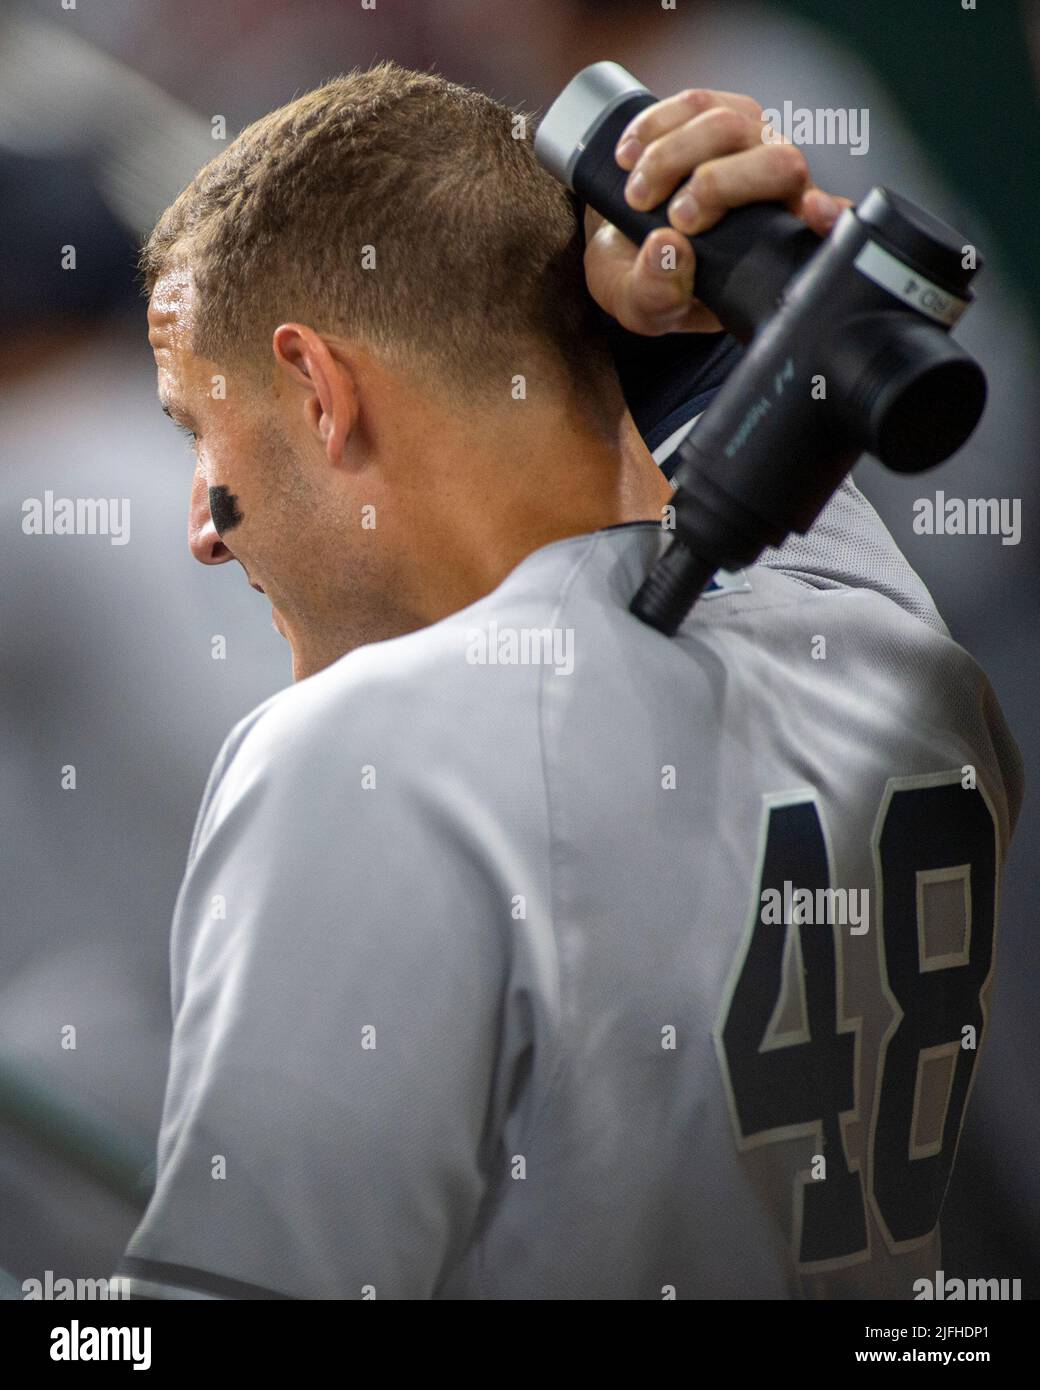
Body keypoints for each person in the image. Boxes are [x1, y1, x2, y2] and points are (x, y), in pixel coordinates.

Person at [116, 61, 1021, 1299]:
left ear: (317, 392)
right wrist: (672, 317)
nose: (203, 532)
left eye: (199, 427)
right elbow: (707, 484)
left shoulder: (360, 751)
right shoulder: (894, 650)